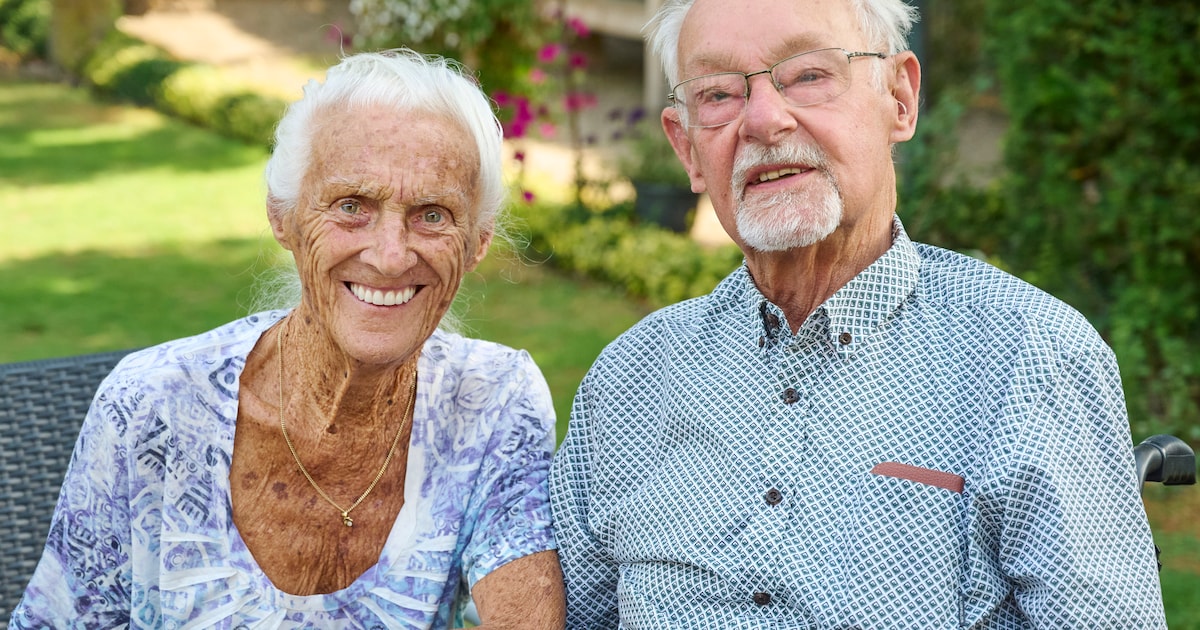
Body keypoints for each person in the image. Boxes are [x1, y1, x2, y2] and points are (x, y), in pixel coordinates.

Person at [549, 0, 1167, 627]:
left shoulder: (1030, 357)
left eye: (809, 75)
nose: (764, 119)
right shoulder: (628, 382)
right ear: (686, 149)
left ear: (899, 99)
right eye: (717, 94)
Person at [11, 49, 565, 629]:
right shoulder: (152, 408)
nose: (391, 254)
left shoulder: (493, 401)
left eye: (432, 214)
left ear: (477, 242)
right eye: (352, 206)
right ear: (285, 218)